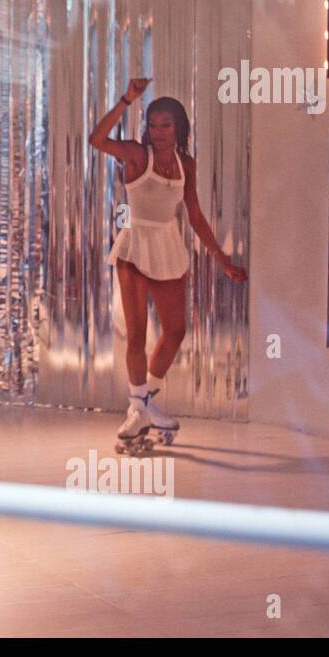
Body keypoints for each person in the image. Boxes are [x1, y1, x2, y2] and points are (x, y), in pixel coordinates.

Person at [89, 79, 247, 453]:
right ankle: (140, 408)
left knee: (175, 330)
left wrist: (222, 260)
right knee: (137, 333)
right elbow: (97, 140)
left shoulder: (185, 163)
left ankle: (141, 405)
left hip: (167, 244)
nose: (158, 132)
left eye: (166, 125)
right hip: (135, 244)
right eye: (153, 124)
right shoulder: (135, 154)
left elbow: (195, 215)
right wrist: (126, 99)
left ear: (179, 128)